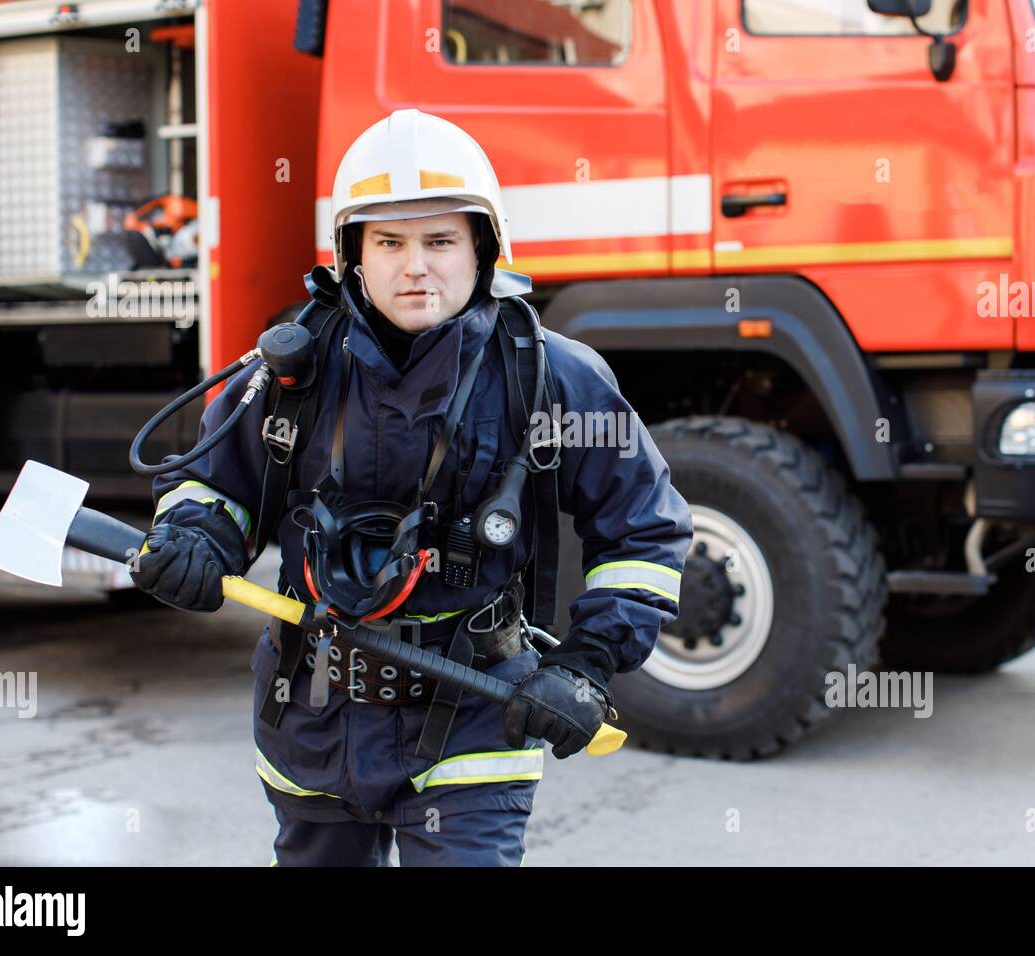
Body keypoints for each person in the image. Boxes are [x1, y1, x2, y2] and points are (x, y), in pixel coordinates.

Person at [130, 108, 692, 866]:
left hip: (474, 713)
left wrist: (588, 661)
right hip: (313, 713)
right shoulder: (291, 372)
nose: (414, 266)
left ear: (483, 248)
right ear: (352, 254)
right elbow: (212, 485)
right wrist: (196, 538)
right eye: (389, 242)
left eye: (439, 241)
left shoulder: (553, 376)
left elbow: (644, 529)